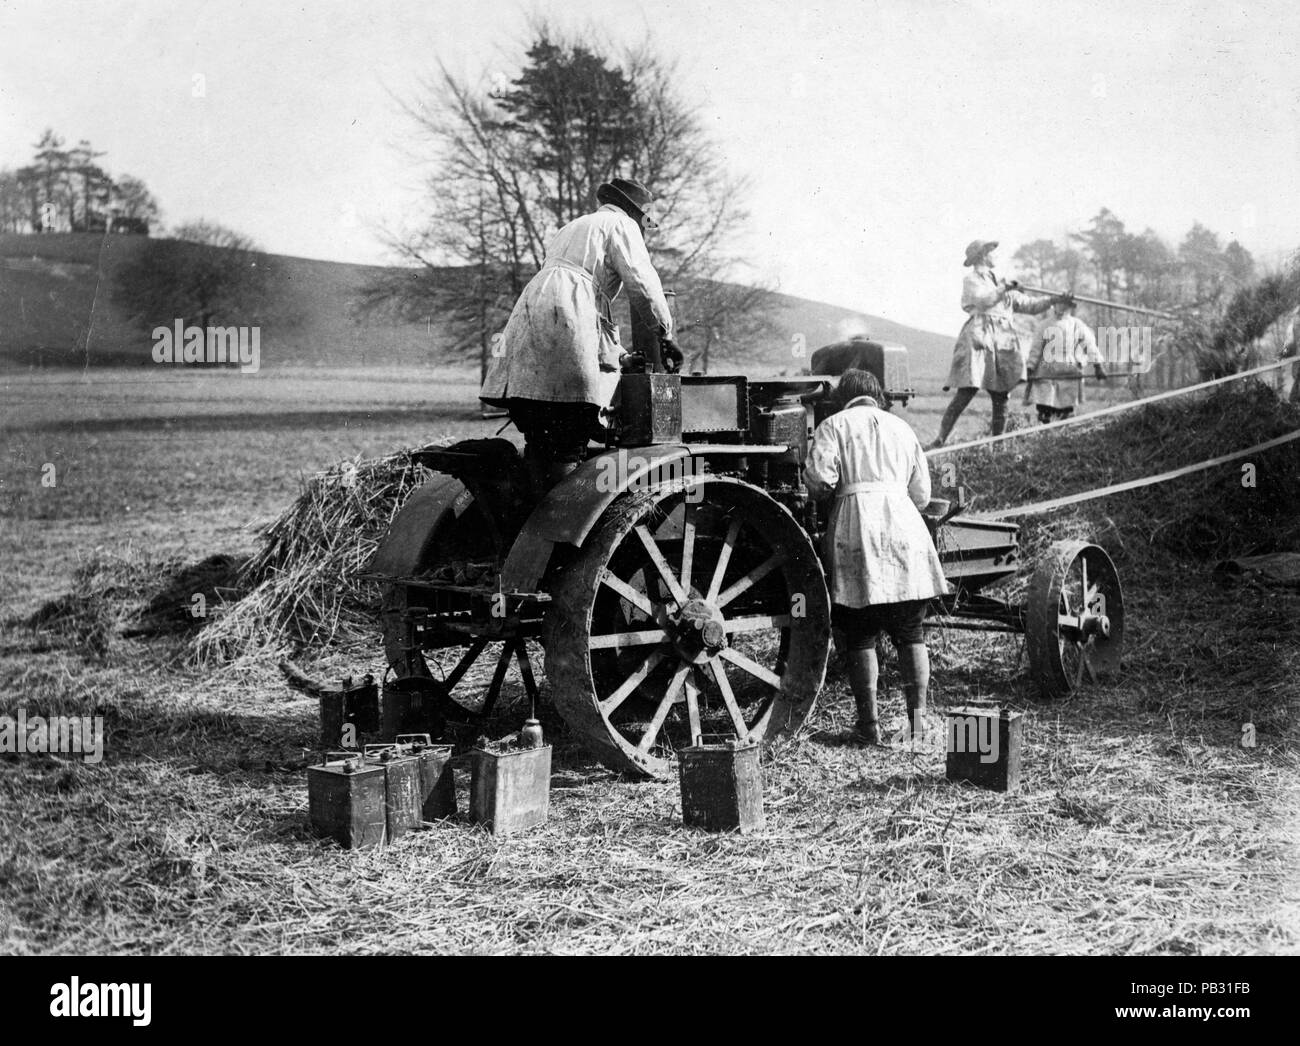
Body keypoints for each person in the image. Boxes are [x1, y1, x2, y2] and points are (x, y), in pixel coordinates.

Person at [480, 177, 683, 495]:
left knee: (542, 427)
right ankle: (562, 517)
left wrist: (618, 355)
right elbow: (643, 286)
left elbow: (591, 319)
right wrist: (666, 334)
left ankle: (533, 503)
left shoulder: (572, 228)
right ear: (635, 213)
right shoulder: (621, 225)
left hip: (532, 309)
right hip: (569, 314)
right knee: (570, 424)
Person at [803, 369, 951, 745]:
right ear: (878, 396)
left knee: (860, 635)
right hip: (904, 528)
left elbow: (820, 481)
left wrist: (828, 497)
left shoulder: (833, 426)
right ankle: (917, 726)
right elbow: (921, 495)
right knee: (910, 632)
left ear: (842, 398)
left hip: (857, 531)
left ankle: (868, 726)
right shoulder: (903, 428)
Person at [929, 239, 1065, 448]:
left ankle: (998, 446)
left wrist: (1053, 300)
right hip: (980, 338)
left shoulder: (1001, 282)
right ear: (983, 255)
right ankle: (940, 439)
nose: (995, 255)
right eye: (992, 252)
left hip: (1003, 342)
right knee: (966, 391)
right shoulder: (972, 280)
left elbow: (1029, 305)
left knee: (1002, 396)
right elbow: (983, 301)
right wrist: (1004, 288)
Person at [1024, 294, 1107, 423]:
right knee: (1045, 410)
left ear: (1070, 307)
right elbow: (1036, 348)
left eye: (1065, 304)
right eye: (1059, 303)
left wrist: (1098, 365)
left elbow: (1089, 345)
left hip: (1068, 373)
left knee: (1065, 412)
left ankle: (1063, 436)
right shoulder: (1044, 325)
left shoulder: (1077, 324)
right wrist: (1030, 368)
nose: (1061, 307)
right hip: (1046, 373)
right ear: (1054, 305)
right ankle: (1045, 436)